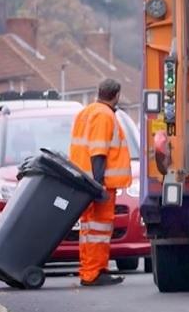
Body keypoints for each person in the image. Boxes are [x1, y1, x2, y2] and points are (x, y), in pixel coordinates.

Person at [68, 79, 131, 287]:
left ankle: (89, 270)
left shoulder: (85, 112)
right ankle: (94, 272)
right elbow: (98, 152)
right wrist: (99, 186)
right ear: (117, 95)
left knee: (89, 230)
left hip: (84, 181)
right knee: (99, 230)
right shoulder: (104, 115)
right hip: (99, 183)